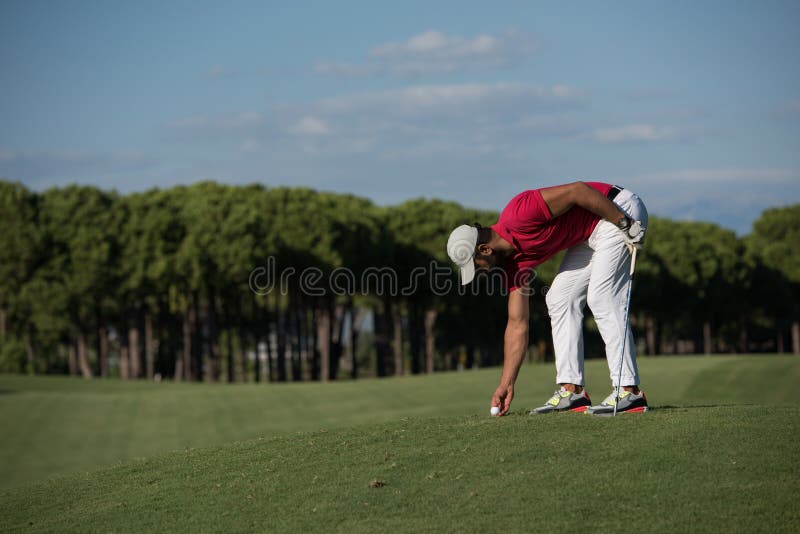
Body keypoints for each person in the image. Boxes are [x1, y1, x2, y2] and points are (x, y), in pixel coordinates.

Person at [446, 181, 649, 416]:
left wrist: (626, 224)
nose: (480, 273)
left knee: (602, 296)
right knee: (559, 298)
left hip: (616, 210)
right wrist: (506, 383)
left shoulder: (519, 214)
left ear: (484, 249)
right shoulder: (512, 267)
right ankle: (572, 391)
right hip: (590, 233)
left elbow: (578, 191)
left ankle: (629, 392)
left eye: (476, 266)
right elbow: (517, 323)